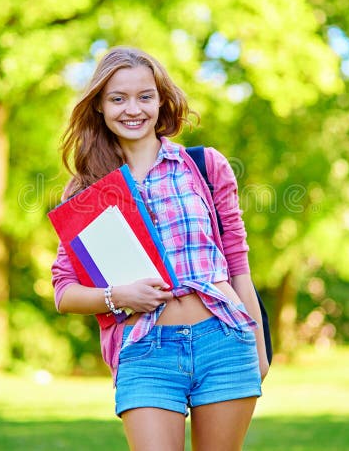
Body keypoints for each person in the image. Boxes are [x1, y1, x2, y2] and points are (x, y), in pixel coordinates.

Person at [51, 46, 269, 451]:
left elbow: (238, 265)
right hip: (147, 352)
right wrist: (120, 296)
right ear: (99, 106)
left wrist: (257, 347)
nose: (132, 109)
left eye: (144, 96)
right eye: (118, 98)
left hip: (224, 340)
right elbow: (64, 293)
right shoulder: (89, 190)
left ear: (161, 100)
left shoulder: (205, 166)